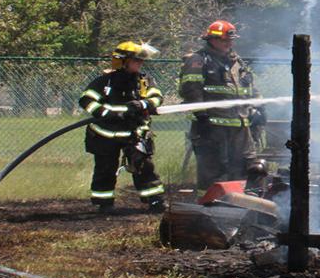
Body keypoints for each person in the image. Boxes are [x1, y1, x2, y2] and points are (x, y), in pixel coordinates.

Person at [178, 20, 266, 192]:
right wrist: (201, 115)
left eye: (231, 40)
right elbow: (190, 90)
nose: (229, 44)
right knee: (211, 170)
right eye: (225, 40)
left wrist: (259, 107)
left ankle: (239, 204)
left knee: (246, 167)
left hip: (240, 127)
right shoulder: (199, 60)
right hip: (211, 128)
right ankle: (208, 208)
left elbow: (249, 87)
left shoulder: (236, 62)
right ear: (211, 39)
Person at [78, 41, 166, 213]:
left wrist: (144, 104)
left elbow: (157, 97)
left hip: (134, 133)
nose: (140, 64)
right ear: (123, 61)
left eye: (141, 61)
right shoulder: (105, 82)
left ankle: (155, 200)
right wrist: (105, 113)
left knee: (144, 167)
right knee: (105, 169)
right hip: (105, 135)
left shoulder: (144, 81)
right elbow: (86, 100)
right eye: (136, 61)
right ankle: (104, 204)